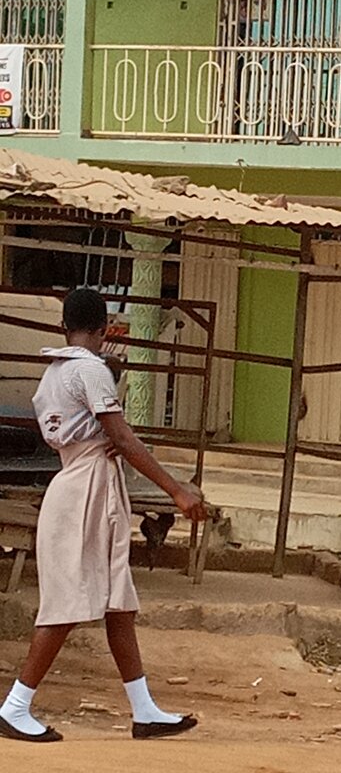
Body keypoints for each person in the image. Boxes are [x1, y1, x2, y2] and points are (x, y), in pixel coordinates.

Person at [0, 288, 208, 744]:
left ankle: (144, 710)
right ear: (105, 329)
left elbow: (87, 433)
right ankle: (15, 706)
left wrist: (102, 439)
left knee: (118, 603)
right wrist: (177, 490)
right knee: (69, 601)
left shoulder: (52, 373)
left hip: (77, 480)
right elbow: (124, 439)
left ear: (63, 326)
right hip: (86, 490)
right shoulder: (91, 369)